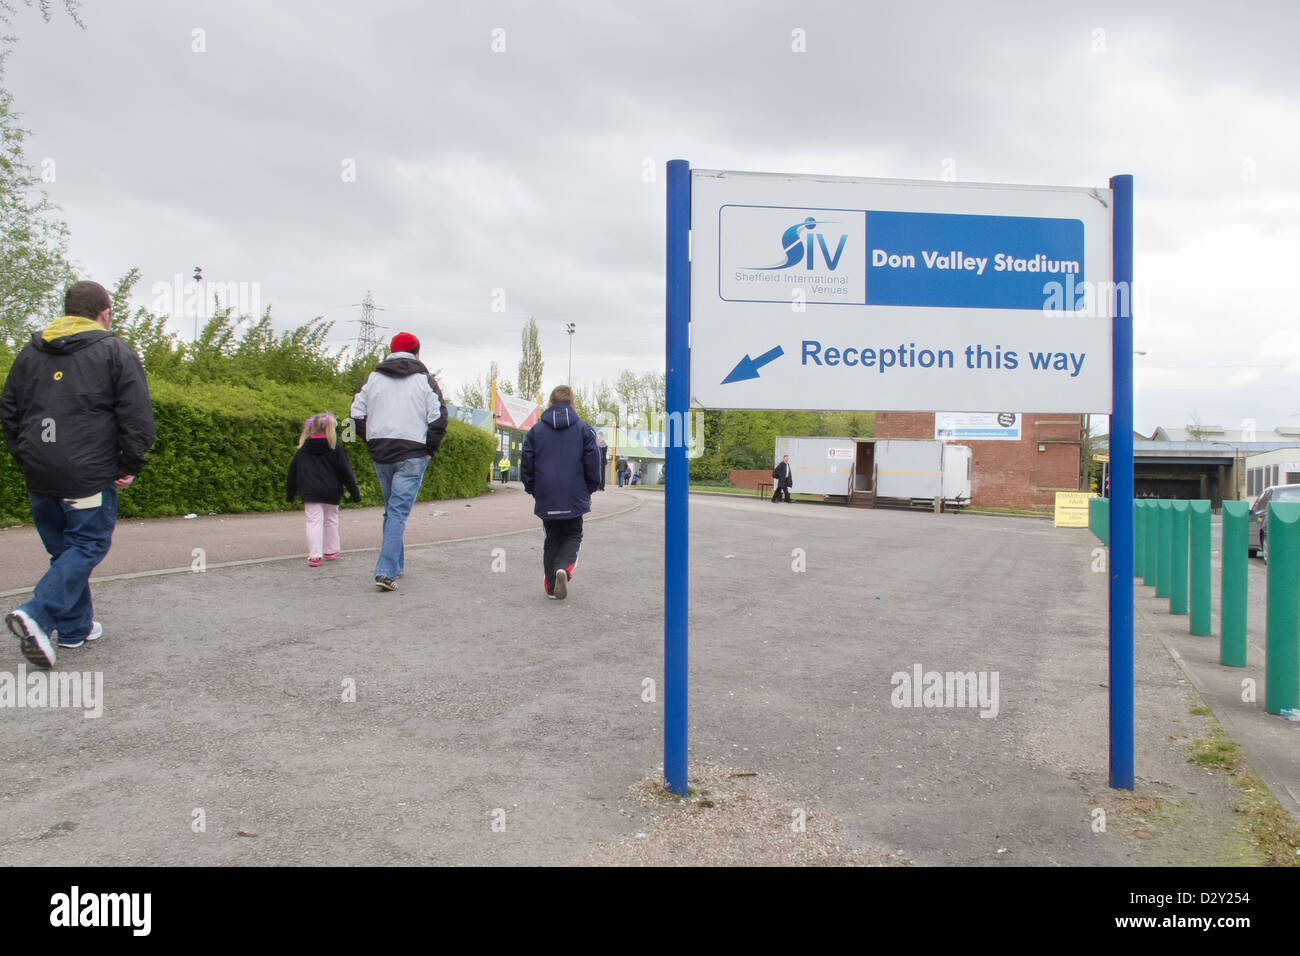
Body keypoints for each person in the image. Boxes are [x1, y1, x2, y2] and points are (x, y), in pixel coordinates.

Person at [1, 280, 155, 667]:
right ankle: (37, 613)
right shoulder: (114, 351)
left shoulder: (29, 354)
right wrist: (129, 463)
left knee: (64, 552)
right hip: (87, 475)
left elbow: (10, 412)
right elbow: (136, 416)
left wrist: (26, 456)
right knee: (88, 545)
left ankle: (74, 629)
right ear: (104, 313)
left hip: (40, 471)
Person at [350, 332, 447, 591]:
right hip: (413, 453)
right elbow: (438, 418)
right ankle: (386, 571)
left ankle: (396, 564)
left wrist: (368, 439)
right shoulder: (424, 380)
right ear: (417, 352)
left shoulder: (373, 378)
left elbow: (354, 413)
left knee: (391, 509)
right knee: (397, 512)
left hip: (381, 450)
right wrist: (430, 449)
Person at [520, 385, 600, 600]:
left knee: (552, 538)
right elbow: (593, 464)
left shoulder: (535, 431)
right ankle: (564, 568)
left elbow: (527, 464)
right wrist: (589, 488)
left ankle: (551, 588)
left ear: (549, 404)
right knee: (573, 534)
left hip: (546, 494)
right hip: (575, 495)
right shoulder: (585, 430)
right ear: (572, 404)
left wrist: (533, 489)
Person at [286, 412, 362, 566]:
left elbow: (292, 472)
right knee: (331, 519)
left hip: (310, 491)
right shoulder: (335, 449)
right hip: (331, 491)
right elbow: (346, 472)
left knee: (313, 521)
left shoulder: (302, 450)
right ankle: (331, 549)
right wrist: (355, 493)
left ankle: (314, 555)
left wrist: (291, 493)